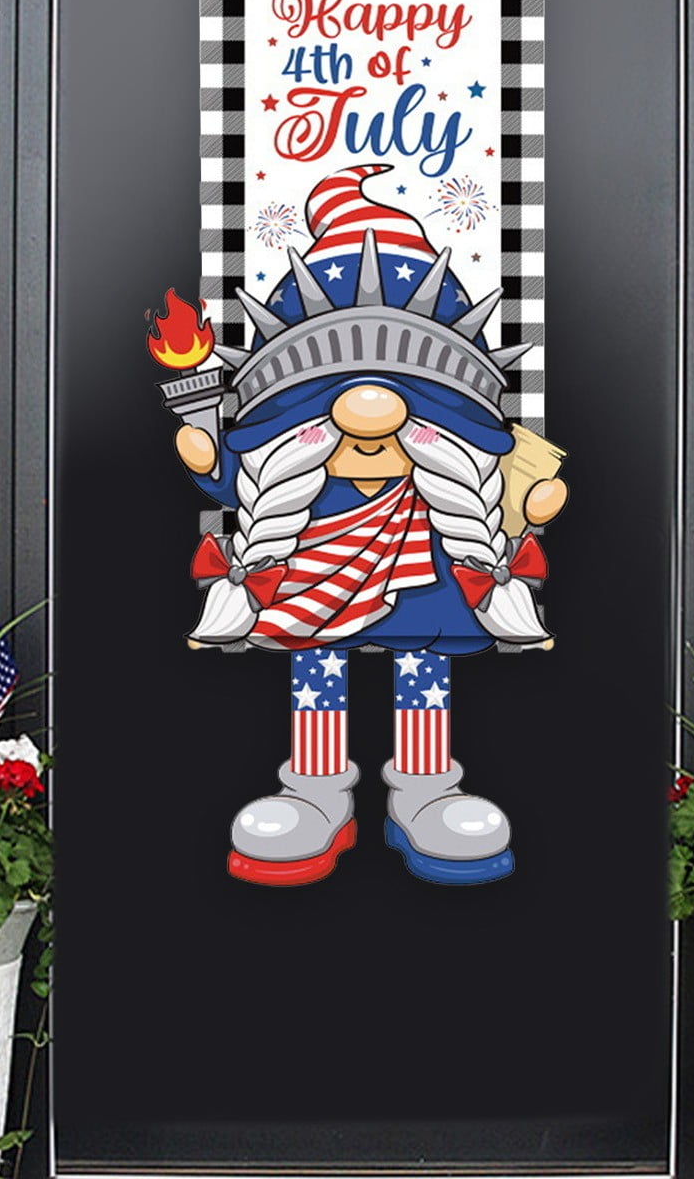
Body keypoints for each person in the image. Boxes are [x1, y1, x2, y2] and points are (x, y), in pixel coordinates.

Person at [169, 164, 566, 886]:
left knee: (424, 671)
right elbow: (240, 473)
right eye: (332, 411)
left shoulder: (452, 484)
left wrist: (531, 504)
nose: (370, 427)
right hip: (310, 569)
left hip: (425, 571)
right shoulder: (288, 480)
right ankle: (317, 794)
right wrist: (203, 442)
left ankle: (423, 790)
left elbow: (506, 480)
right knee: (316, 669)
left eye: (408, 412)